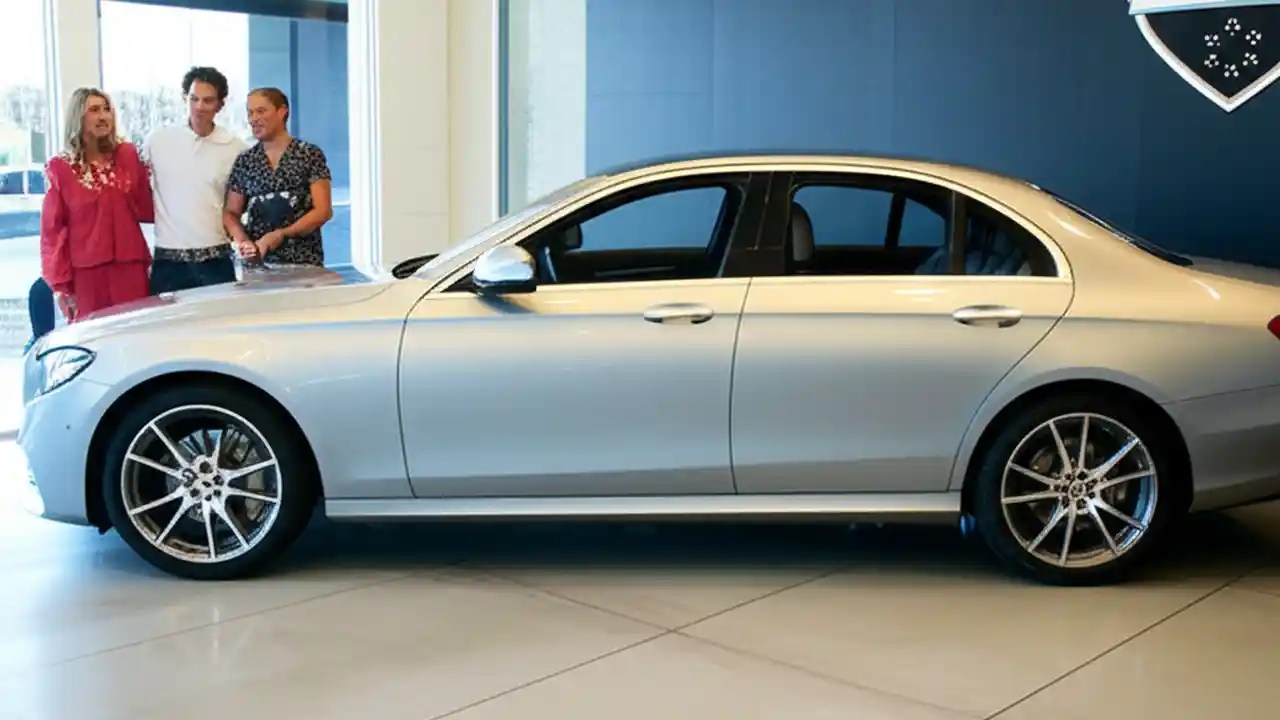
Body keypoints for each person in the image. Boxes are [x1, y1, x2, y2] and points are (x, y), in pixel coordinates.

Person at [40, 87, 153, 322]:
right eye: (94, 110)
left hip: (130, 267)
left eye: (107, 110)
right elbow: (52, 231)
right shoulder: (60, 168)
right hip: (86, 275)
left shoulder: (127, 155)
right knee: (92, 342)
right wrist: (60, 285)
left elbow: (148, 206)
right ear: (78, 117)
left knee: (134, 335)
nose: (103, 117)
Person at [143, 66, 247, 293]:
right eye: (193, 99)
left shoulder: (235, 148)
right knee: (166, 328)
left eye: (208, 100)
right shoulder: (158, 141)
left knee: (223, 327)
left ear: (220, 104)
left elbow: (238, 206)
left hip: (216, 260)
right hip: (168, 261)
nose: (199, 107)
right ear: (184, 98)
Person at [224, 87, 332, 267]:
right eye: (250, 113)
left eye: (261, 111)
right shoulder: (246, 161)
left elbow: (323, 211)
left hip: (304, 266)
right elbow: (230, 213)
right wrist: (244, 242)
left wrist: (282, 234)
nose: (253, 119)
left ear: (282, 111)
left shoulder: (308, 154)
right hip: (258, 269)